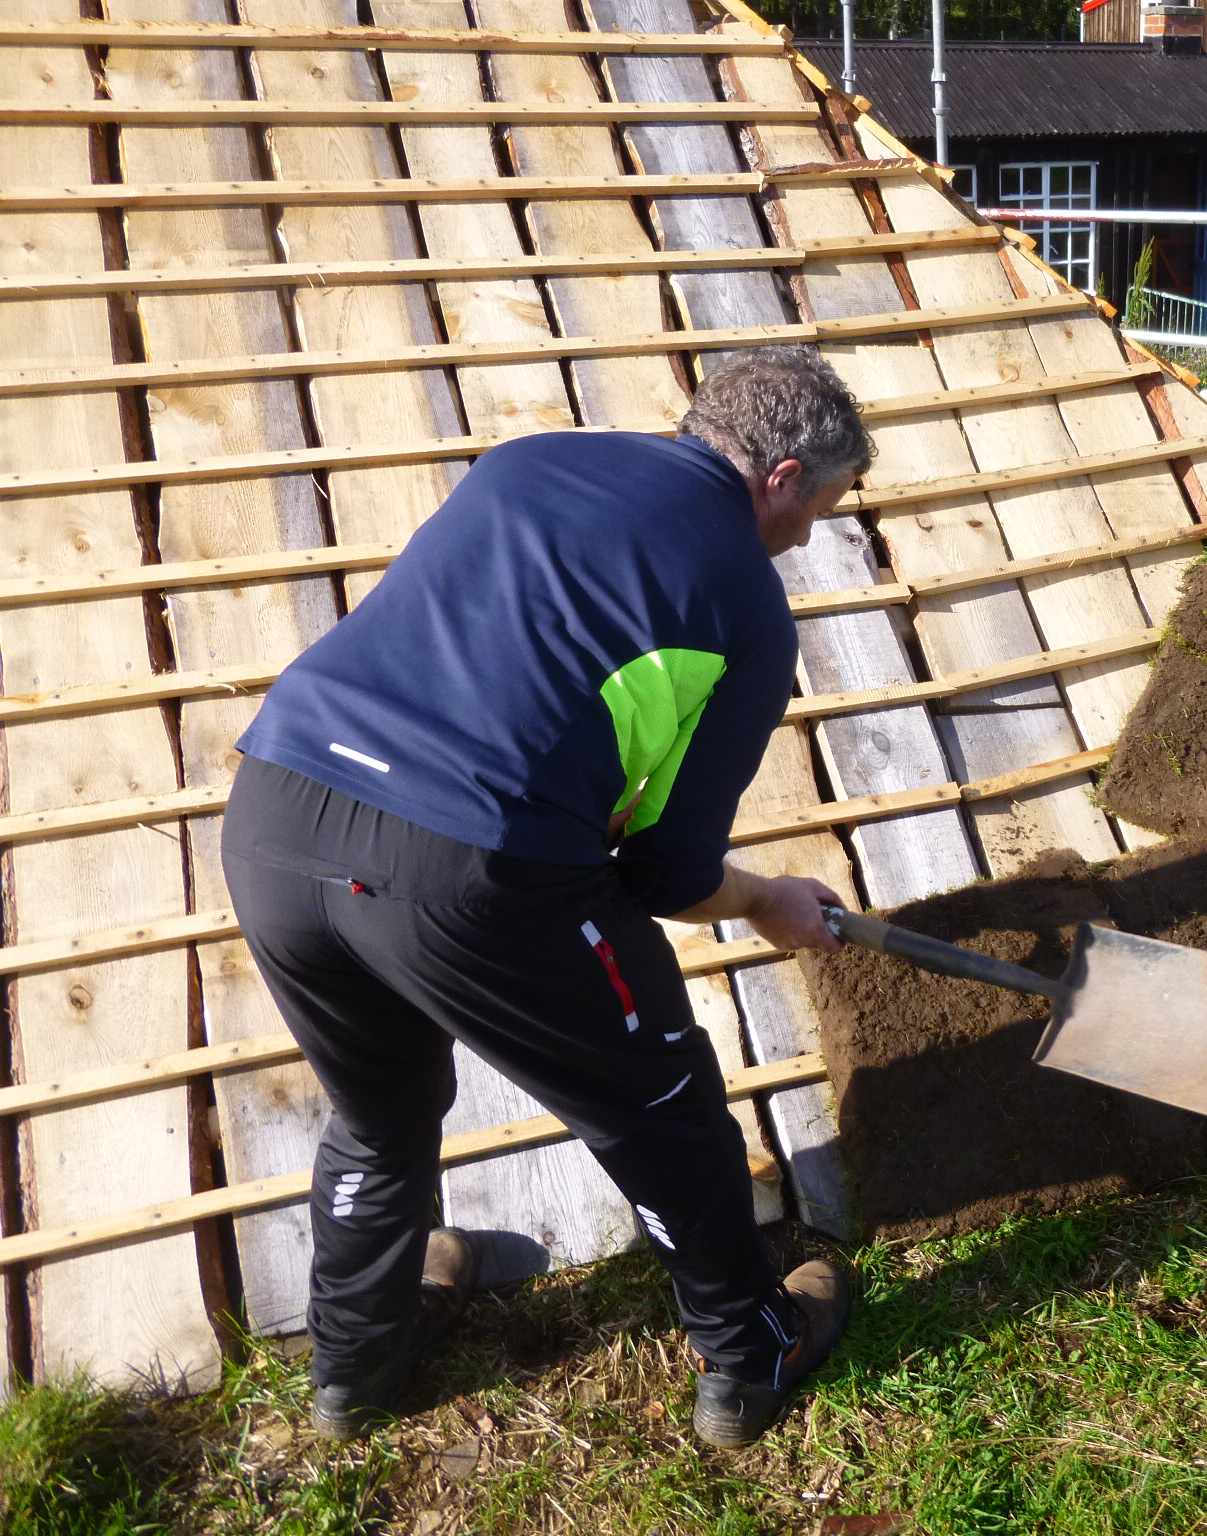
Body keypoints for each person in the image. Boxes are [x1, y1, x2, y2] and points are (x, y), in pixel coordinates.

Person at [221, 347, 867, 1448]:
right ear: (782, 474)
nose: (809, 535)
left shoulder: (525, 462)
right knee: (657, 1104)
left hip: (276, 812)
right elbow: (666, 871)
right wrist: (762, 899)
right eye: (823, 505)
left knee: (376, 1114)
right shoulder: (743, 605)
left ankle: (354, 1370)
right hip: (465, 865)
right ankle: (749, 1349)